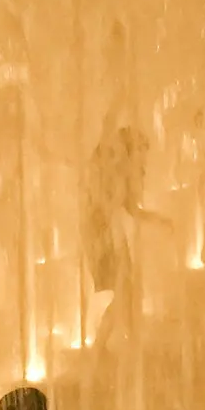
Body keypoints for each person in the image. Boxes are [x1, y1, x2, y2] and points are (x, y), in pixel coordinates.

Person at [81, 125, 161, 363]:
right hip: (106, 237)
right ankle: (102, 347)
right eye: (141, 149)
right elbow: (109, 207)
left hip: (112, 237)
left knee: (130, 293)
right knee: (127, 292)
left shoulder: (125, 173)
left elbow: (130, 209)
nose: (145, 155)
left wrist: (160, 220)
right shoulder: (116, 173)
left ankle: (122, 345)